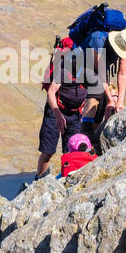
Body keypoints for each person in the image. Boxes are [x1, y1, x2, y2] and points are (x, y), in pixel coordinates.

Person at [36, 36, 89, 178]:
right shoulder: (64, 69)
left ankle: (66, 178)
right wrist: (58, 115)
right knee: (48, 151)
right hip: (55, 111)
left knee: (72, 152)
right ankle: (38, 181)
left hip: (75, 115)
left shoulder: (89, 70)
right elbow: (51, 92)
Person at [80, 28, 126, 145]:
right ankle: (85, 131)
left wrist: (119, 102)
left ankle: (94, 132)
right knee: (97, 89)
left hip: (101, 70)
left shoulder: (125, 46)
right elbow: (101, 74)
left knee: (104, 105)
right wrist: (111, 100)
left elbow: (122, 73)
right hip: (83, 64)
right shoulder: (98, 42)